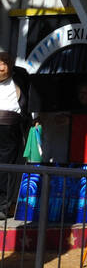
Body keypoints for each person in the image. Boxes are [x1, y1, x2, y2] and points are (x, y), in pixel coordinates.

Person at [0, 48, 27, 219]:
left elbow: (31, 97)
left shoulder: (20, 77)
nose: (1, 68)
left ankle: (3, 206)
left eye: (3, 64)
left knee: (6, 168)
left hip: (9, 126)